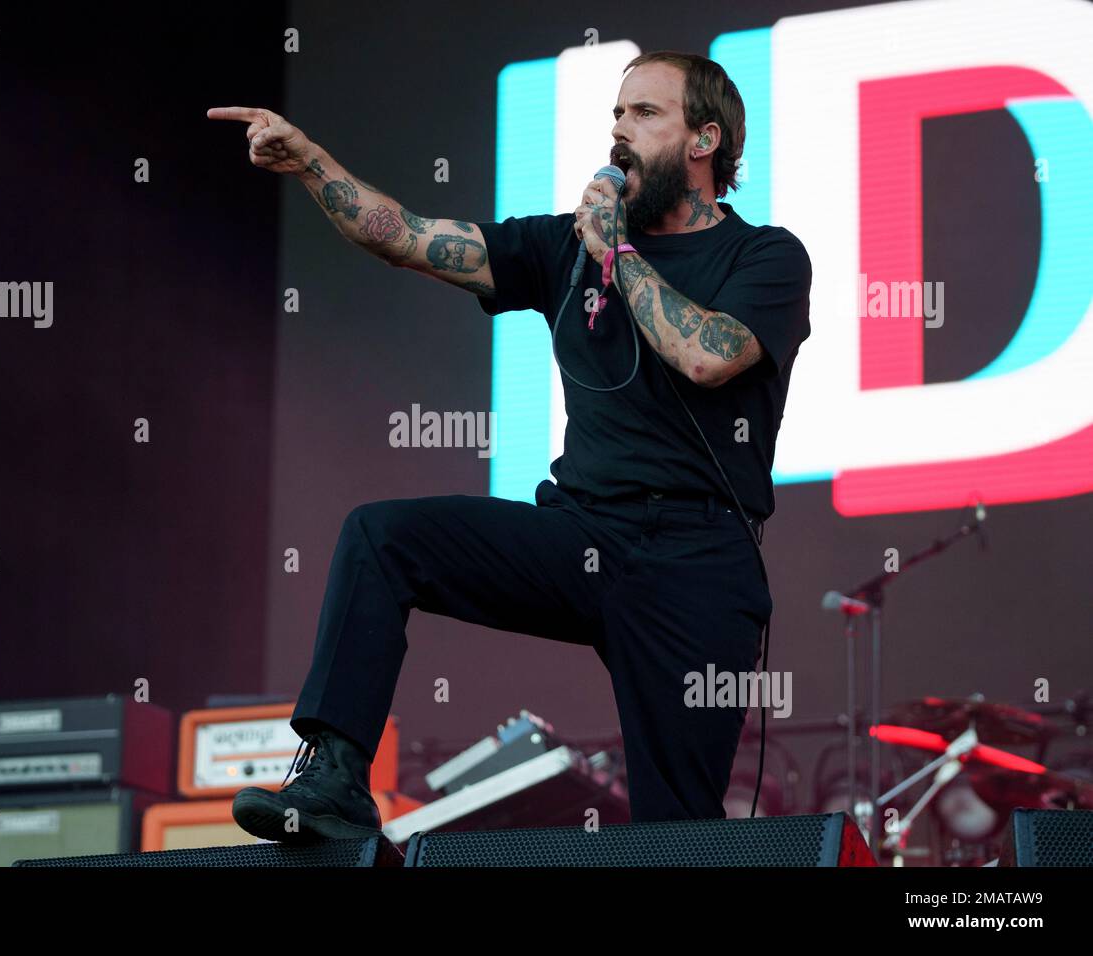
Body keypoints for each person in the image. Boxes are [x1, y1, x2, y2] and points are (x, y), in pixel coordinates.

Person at [208, 50, 811, 844]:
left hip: (698, 562)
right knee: (381, 536)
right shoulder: (563, 247)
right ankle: (333, 779)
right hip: (584, 532)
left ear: (704, 140)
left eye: (644, 114)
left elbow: (707, 354)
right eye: (616, 116)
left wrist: (616, 255)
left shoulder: (765, 256)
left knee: (678, 833)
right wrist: (313, 163)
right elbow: (410, 239)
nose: (619, 132)